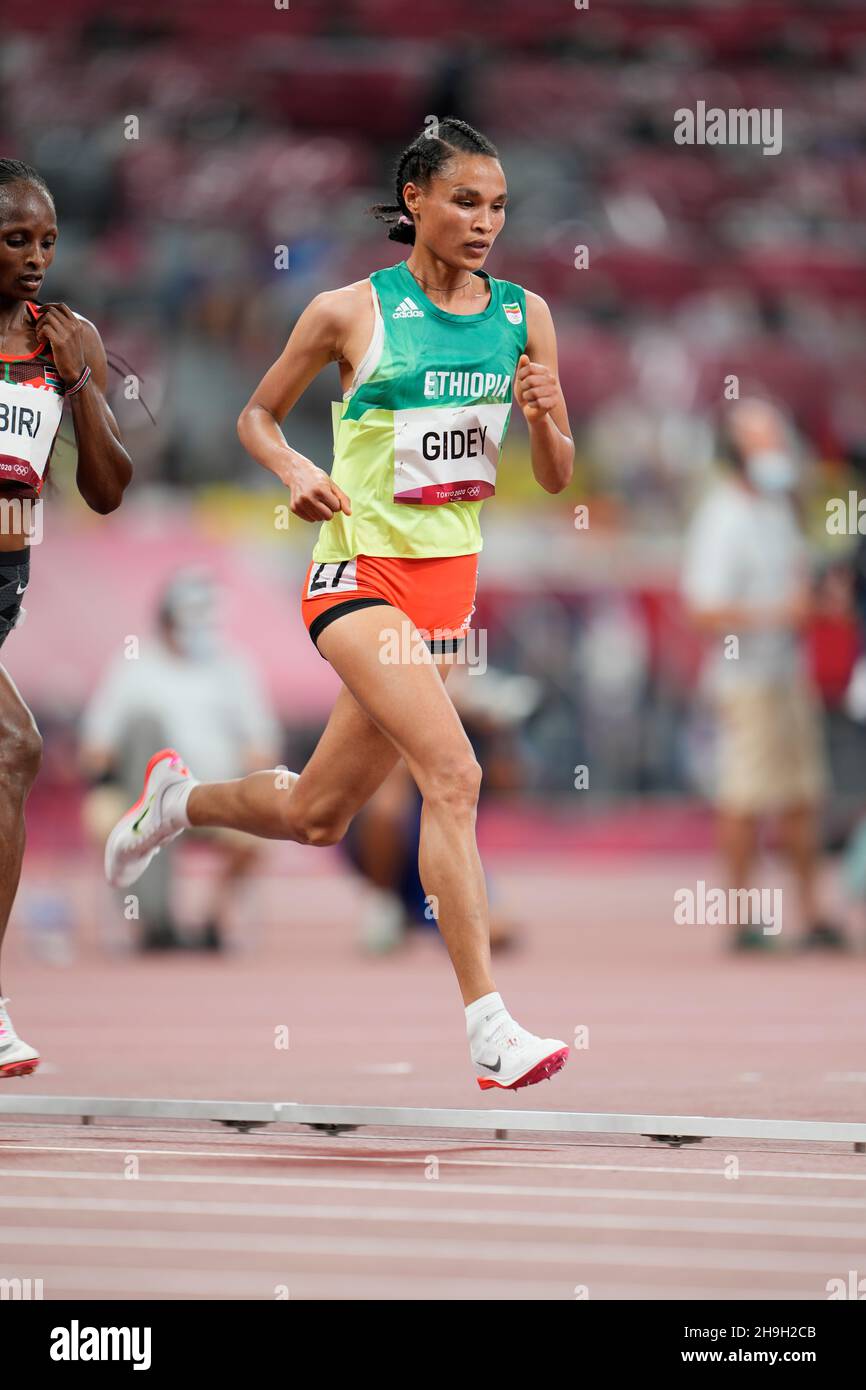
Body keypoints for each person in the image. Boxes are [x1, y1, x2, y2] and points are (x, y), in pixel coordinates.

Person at [105, 118, 574, 1090]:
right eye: (463, 201)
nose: (484, 221)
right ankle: (488, 1027)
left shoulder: (526, 315)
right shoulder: (348, 310)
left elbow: (556, 473)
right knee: (452, 772)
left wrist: (542, 414)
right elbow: (255, 414)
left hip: (446, 597)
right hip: (357, 579)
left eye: (496, 206)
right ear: (414, 201)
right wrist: (292, 471)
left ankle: (175, 800)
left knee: (317, 813)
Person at [0, 158, 132, 1075]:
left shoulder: (61, 341)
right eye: (15, 240)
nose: (37, 257)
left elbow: (108, 489)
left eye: (47, 240)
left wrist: (83, 387)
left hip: (7, 583)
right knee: (14, 749)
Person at [681, 396, 847, 951]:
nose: (778, 449)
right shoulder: (721, 516)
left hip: (785, 671)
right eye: (764, 440)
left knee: (803, 793)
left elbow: (797, 583)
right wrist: (781, 612)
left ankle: (812, 911)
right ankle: (741, 916)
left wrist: (815, 601)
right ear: (736, 451)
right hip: (742, 679)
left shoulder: (778, 507)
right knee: (745, 799)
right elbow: (702, 610)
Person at [81, 568, 279, 951]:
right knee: (119, 792)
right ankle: (153, 920)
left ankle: (210, 922)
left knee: (263, 823)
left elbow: (262, 747)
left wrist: (238, 771)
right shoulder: (133, 667)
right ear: (167, 618)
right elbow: (95, 748)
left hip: (216, 793)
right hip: (138, 794)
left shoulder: (235, 666)